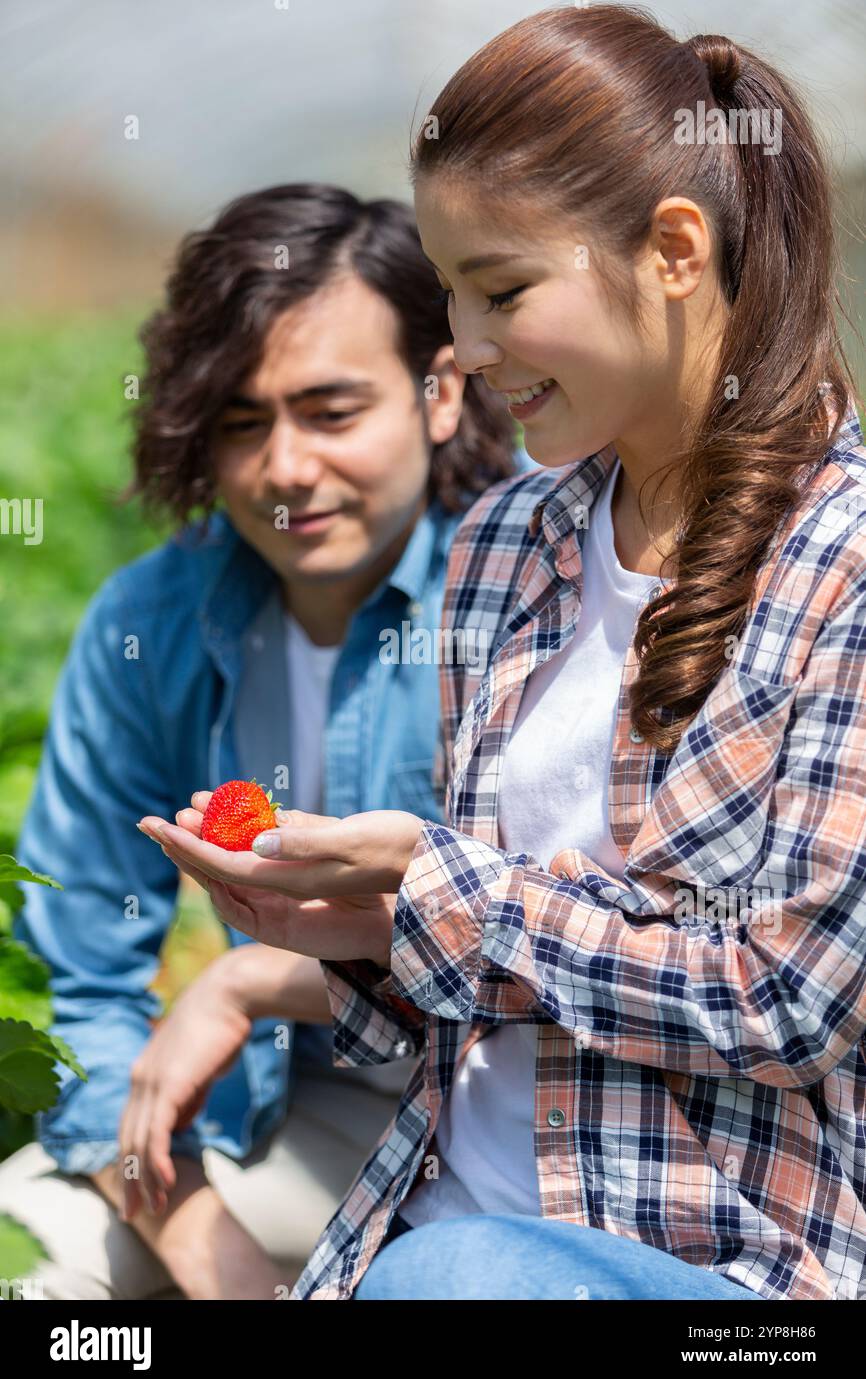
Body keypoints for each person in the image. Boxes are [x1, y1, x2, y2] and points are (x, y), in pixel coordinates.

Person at [141, 7, 866, 1302]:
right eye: (449, 298)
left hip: (713, 1267)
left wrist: (439, 881)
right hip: (431, 1222)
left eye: (502, 290)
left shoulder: (840, 562)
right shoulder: (503, 543)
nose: (464, 356)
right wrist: (350, 930)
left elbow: (782, 1000)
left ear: (673, 251)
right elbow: (495, 984)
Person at [0, 182, 521, 1299]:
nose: (285, 468)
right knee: (35, 1275)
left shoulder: (535, 589)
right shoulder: (152, 623)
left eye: (331, 412)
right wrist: (203, 1245)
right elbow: (78, 976)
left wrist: (247, 975)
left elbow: (571, 942)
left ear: (438, 394)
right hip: (271, 1114)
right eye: (242, 420)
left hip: (508, 1118)